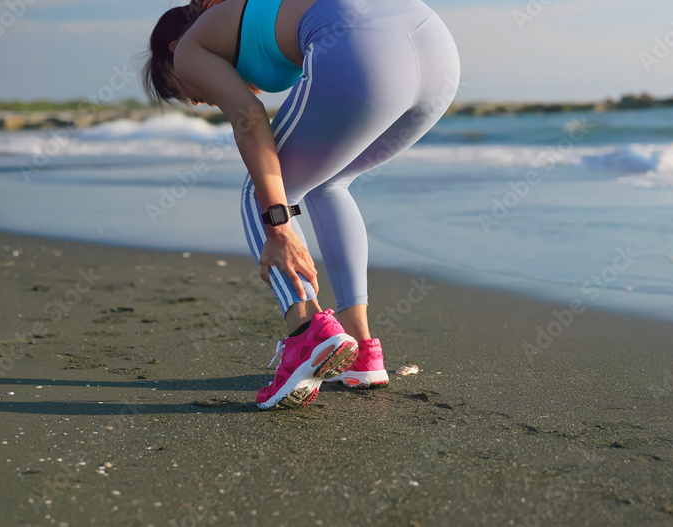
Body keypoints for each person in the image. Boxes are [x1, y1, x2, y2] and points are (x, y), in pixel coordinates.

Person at [143, 0, 460, 409]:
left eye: (179, 89)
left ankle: (307, 332)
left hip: (362, 44)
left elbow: (249, 118)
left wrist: (278, 227)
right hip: (435, 48)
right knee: (330, 182)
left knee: (259, 193)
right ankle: (362, 350)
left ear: (172, 48)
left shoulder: (189, 49)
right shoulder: (244, 14)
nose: (197, 101)